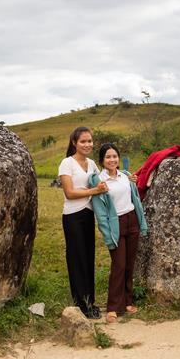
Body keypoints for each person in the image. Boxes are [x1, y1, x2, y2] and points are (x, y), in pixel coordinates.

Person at [88, 142, 148, 323]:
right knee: (119, 265)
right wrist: (107, 235)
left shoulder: (126, 176)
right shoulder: (99, 181)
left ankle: (128, 302)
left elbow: (135, 199)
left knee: (129, 264)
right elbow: (100, 211)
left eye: (115, 156)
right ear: (102, 160)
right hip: (116, 225)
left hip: (132, 221)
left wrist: (141, 222)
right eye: (108, 157)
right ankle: (113, 307)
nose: (112, 159)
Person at [58, 126, 108, 319]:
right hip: (72, 216)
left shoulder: (92, 163)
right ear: (74, 143)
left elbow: (103, 180)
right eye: (83, 141)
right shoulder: (67, 163)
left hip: (88, 214)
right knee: (77, 259)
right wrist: (93, 192)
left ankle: (90, 302)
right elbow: (69, 193)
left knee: (88, 258)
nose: (87, 145)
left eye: (89, 141)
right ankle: (80, 305)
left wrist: (126, 177)